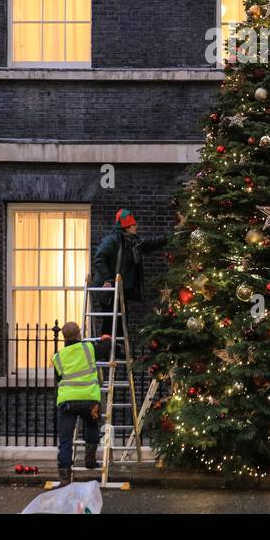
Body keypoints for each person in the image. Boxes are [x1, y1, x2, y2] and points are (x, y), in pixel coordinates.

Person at [90, 208, 169, 344]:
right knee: (110, 320)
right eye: (133, 224)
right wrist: (108, 278)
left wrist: (167, 238)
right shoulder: (111, 241)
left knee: (122, 319)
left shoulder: (133, 242)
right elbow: (98, 258)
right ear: (126, 227)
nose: (136, 226)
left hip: (121, 289)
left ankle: (117, 349)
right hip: (109, 289)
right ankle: (107, 350)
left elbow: (149, 244)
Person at [51, 321, 101, 485]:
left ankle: (65, 477)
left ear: (64, 337)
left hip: (67, 403)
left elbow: (59, 378)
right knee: (92, 425)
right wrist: (107, 338)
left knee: (65, 439)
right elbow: (106, 347)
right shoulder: (89, 348)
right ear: (79, 334)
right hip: (89, 399)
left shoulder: (58, 357)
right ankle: (90, 460)